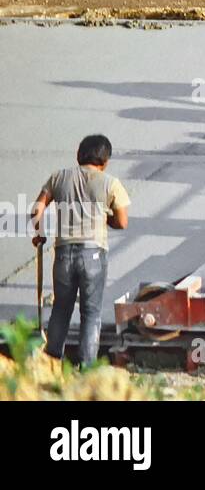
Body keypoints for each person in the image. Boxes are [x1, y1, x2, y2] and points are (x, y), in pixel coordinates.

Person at [29, 134, 129, 368]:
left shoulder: (59, 177)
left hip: (63, 254)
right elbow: (122, 222)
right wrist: (106, 219)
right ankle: (86, 368)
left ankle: (51, 362)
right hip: (93, 254)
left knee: (61, 310)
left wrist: (39, 232)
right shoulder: (110, 183)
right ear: (105, 161)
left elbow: (36, 210)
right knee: (91, 313)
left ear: (79, 155)